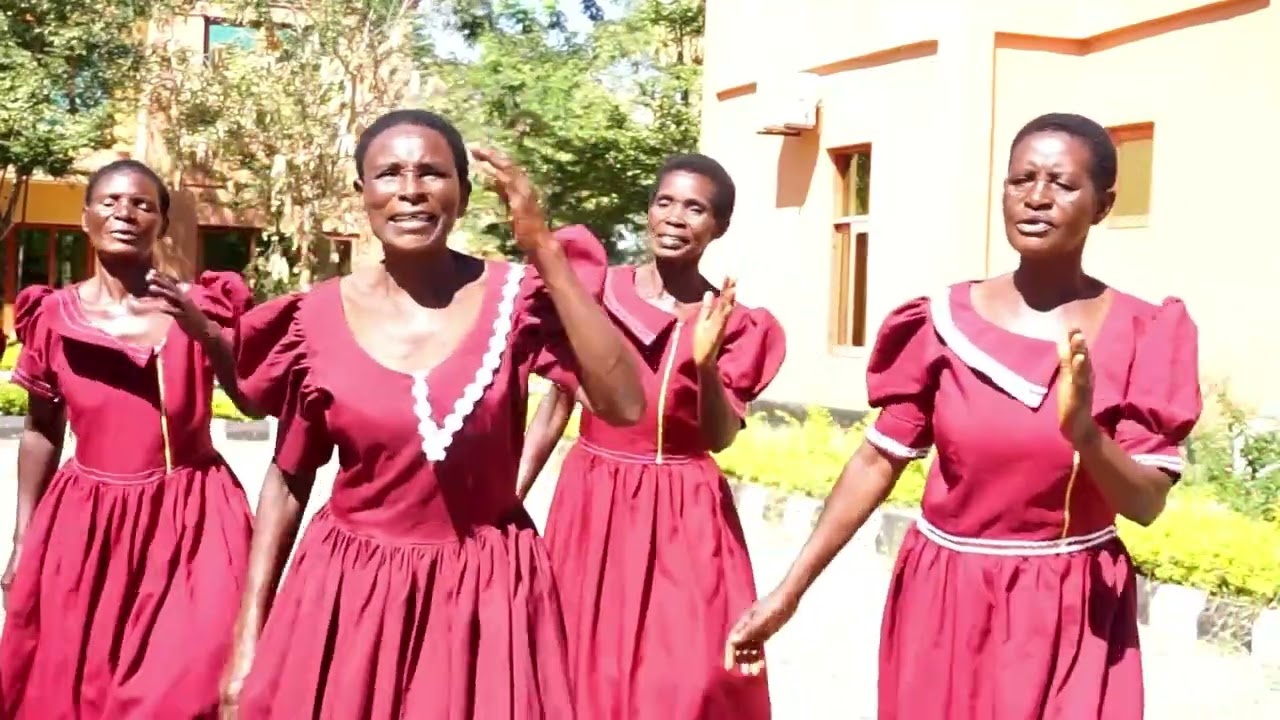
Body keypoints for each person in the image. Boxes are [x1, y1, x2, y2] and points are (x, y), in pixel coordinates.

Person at [724, 113, 1202, 719]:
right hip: (948, 601)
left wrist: (1085, 434)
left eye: (1062, 183)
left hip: (1071, 606)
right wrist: (786, 595)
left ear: (1103, 205)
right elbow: (876, 461)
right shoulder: (941, 323)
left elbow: (1146, 504)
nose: (1037, 197)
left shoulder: (1144, 333)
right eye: (1021, 179)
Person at [217, 108, 646, 719]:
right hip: (350, 595)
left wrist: (542, 247)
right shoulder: (312, 321)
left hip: (486, 598)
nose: (411, 189)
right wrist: (247, 638)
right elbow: (289, 481)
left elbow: (623, 402)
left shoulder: (516, 301)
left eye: (433, 173)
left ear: (464, 195)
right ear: (361, 193)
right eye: (388, 173)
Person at [518, 153, 785, 719]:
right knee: (584, 663)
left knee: (691, 676)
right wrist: (505, 501)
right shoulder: (595, 294)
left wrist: (706, 363)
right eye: (665, 202)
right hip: (597, 498)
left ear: (720, 226)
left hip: (688, 512)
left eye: (696, 208)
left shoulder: (736, 321)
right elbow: (555, 407)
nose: (675, 217)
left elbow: (719, 436)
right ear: (647, 211)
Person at [0, 159, 257, 718]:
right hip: (87, 520)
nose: (126, 212)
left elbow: (253, 400)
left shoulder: (200, 305)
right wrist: (23, 536)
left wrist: (206, 331)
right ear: (86, 216)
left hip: (192, 517)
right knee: (77, 681)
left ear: (162, 224)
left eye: (144, 204)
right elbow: (43, 429)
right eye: (111, 201)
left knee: (186, 683)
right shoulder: (52, 316)